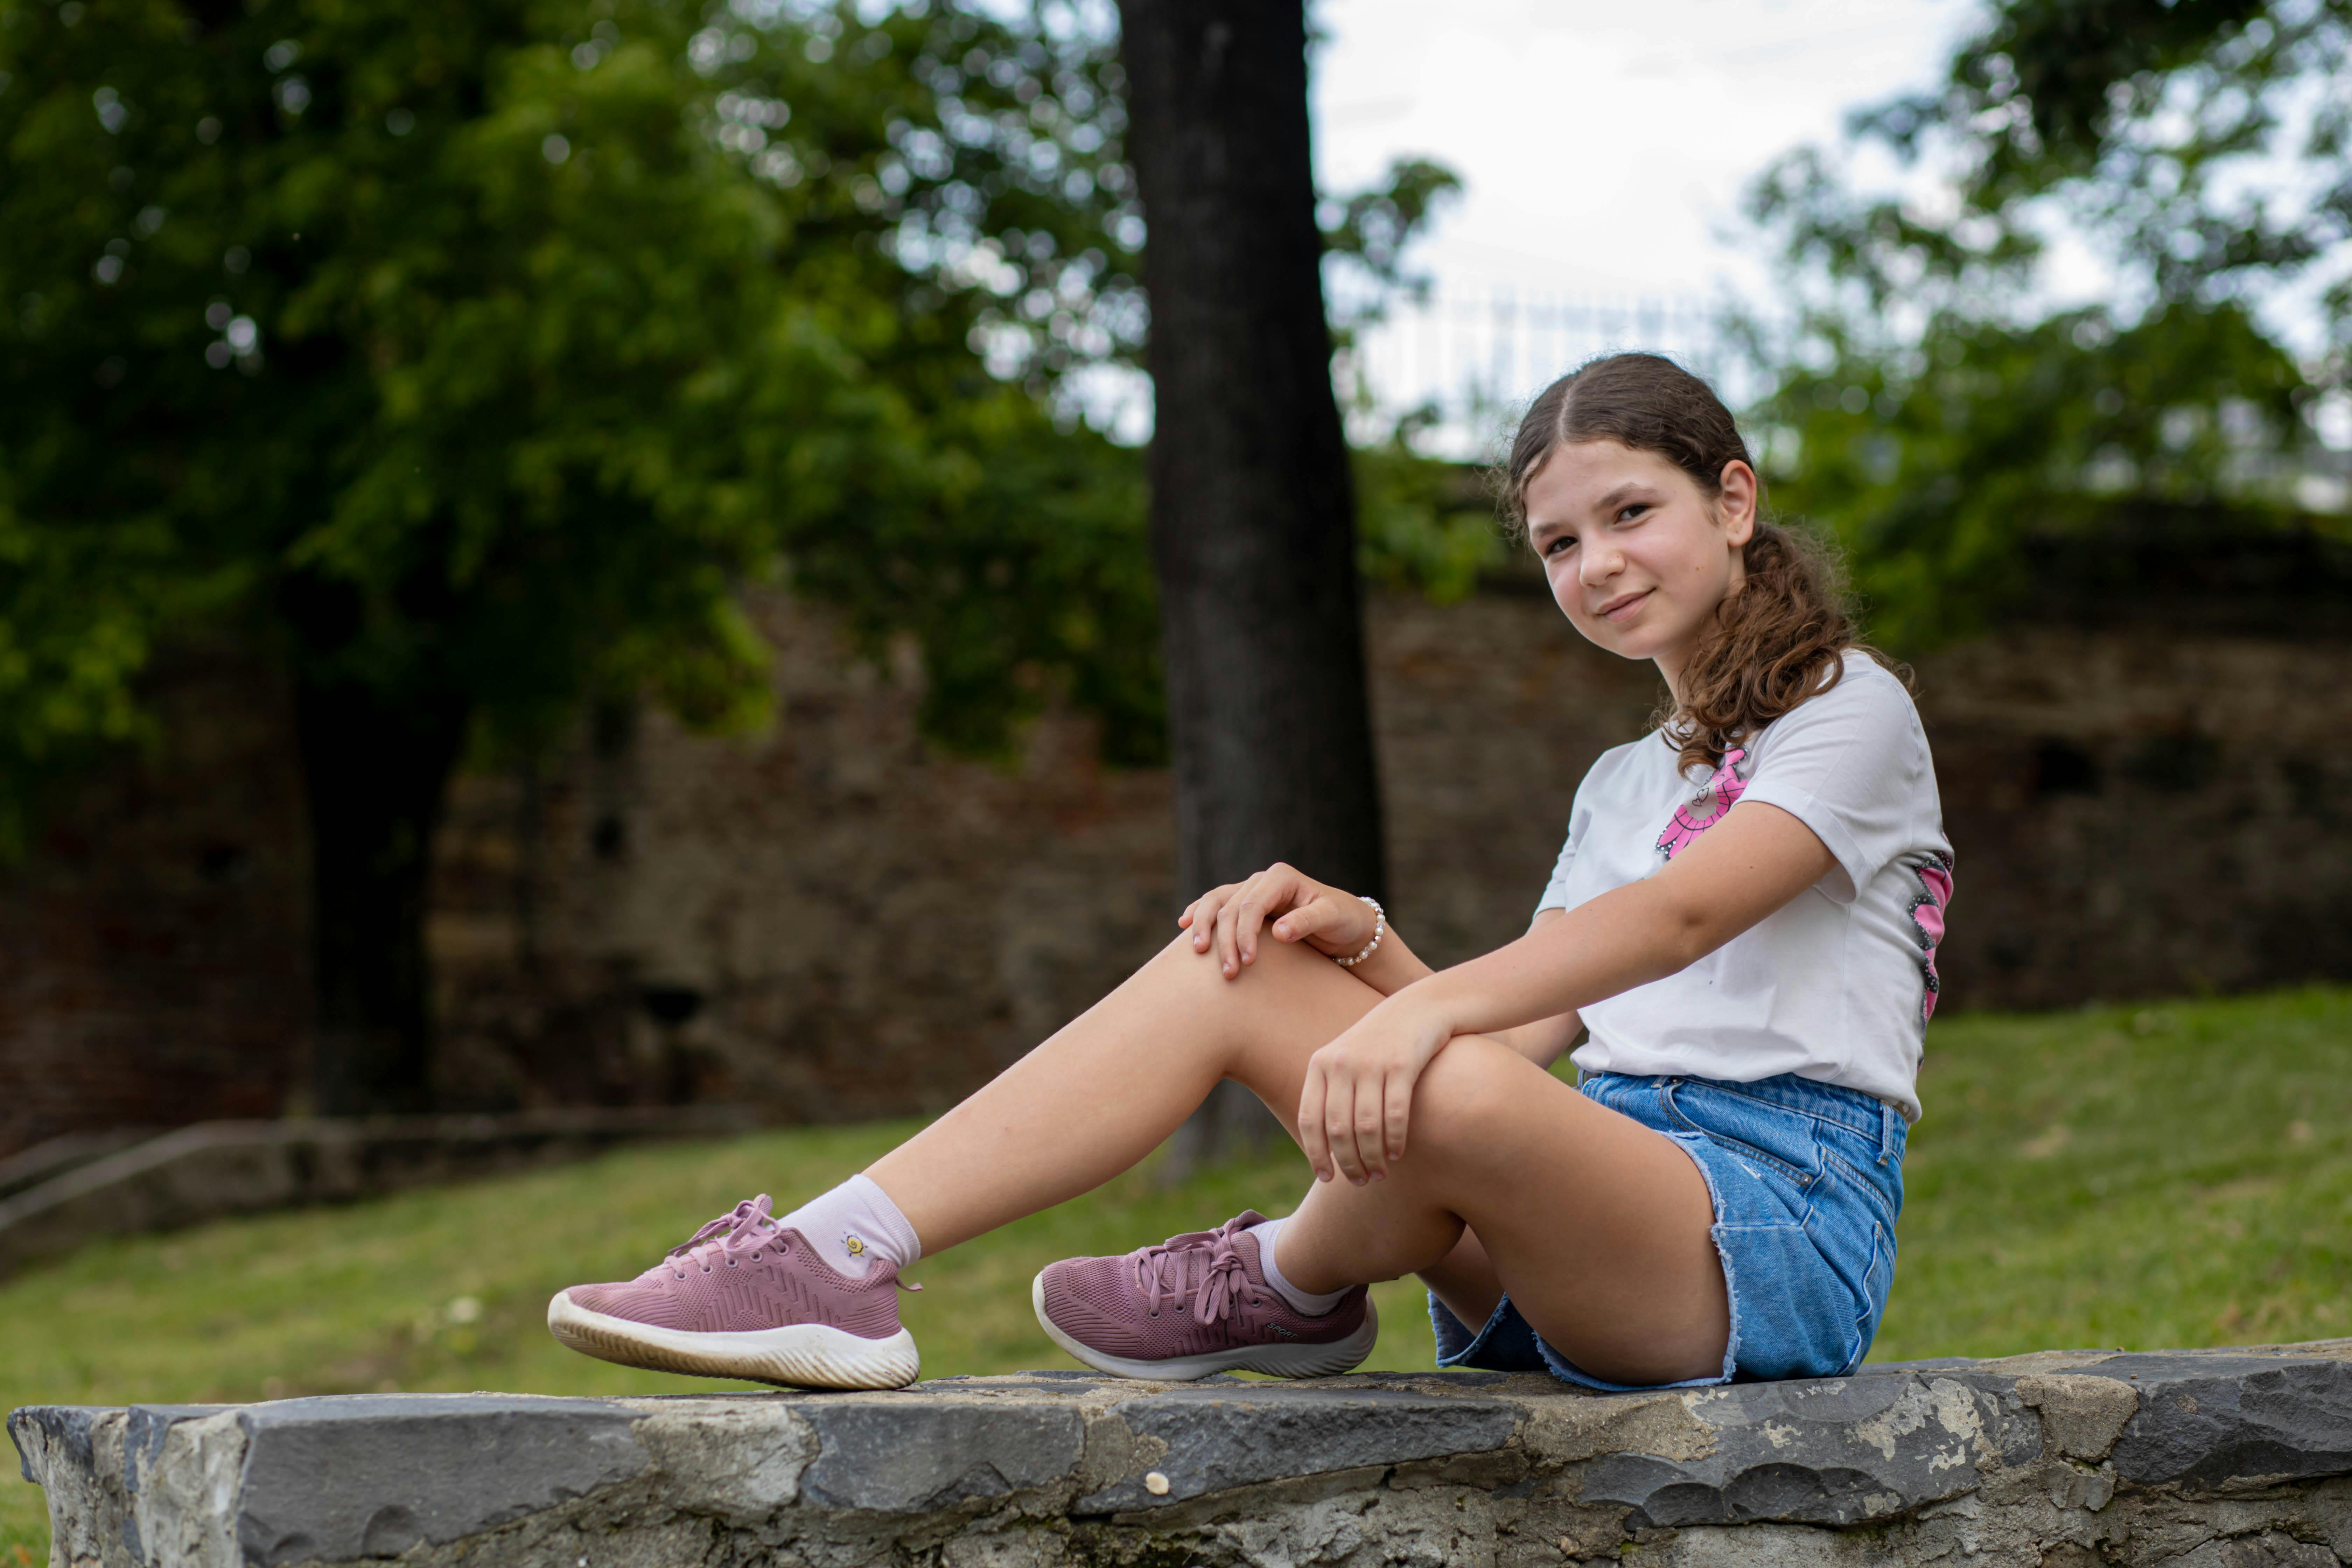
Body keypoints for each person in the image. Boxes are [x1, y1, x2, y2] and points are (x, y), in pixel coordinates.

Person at [544, 352, 1954, 1393]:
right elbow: (1523, 1038)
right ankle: (834, 1258)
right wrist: (1371, 952)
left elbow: (1689, 914)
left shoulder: (1853, 711)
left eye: (1631, 513)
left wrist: (1416, 1013)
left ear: (1734, 499)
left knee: (1431, 1058)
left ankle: (1289, 1273)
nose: (1598, 564)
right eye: (1559, 544)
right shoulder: (1625, 782)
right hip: (1568, 1213)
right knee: (1259, 957)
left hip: (1765, 1231)